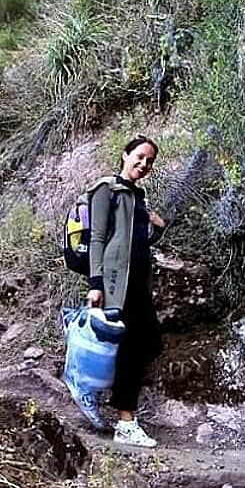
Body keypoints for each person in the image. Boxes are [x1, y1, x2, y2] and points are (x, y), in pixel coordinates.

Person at [86, 135, 167, 448]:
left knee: (148, 343)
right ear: (125, 154)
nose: (144, 164)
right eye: (139, 157)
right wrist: (96, 285)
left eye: (149, 161)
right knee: (133, 347)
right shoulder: (107, 190)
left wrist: (158, 227)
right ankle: (125, 420)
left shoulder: (138, 195)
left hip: (138, 284)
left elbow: (139, 242)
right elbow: (96, 239)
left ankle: (119, 408)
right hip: (116, 285)